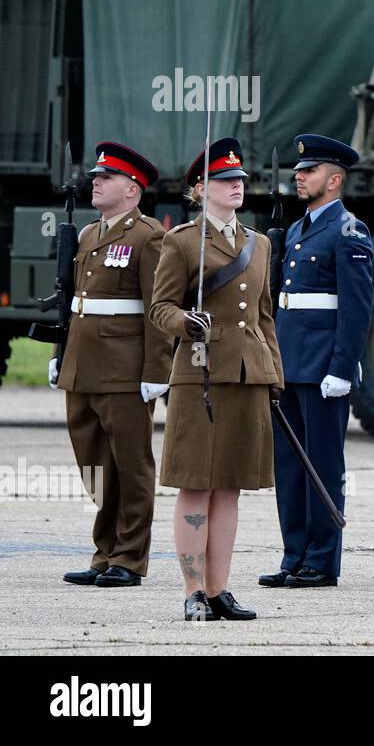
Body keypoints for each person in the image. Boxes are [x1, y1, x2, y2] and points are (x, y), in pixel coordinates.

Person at [149, 137, 284, 621]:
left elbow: (264, 316)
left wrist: (274, 374)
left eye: (240, 181)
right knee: (195, 485)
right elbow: (159, 307)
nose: (236, 188)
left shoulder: (259, 243)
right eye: (226, 181)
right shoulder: (182, 241)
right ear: (201, 188)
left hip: (247, 372)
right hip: (200, 373)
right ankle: (192, 590)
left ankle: (219, 588)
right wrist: (185, 322)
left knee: (230, 485)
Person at [260, 135, 372, 589]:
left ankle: (322, 560)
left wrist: (342, 369)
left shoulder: (348, 231)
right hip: (290, 362)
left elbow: (356, 307)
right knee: (288, 466)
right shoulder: (297, 229)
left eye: (310, 170)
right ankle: (295, 554)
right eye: (299, 170)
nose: (299, 176)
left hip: (324, 366)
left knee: (322, 464)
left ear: (335, 179)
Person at [56, 142, 170, 589]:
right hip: (82, 367)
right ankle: (104, 552)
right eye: (96, 176)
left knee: (131, 465)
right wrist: (58, 357)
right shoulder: (87, 235)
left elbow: (157, 309)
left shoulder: (147, 237)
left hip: (125, 371)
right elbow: (70, 305)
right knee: (95, 465)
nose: (95, 182)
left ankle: (129, 557)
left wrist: (155, 372)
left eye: (106, 177)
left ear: (132, 189)